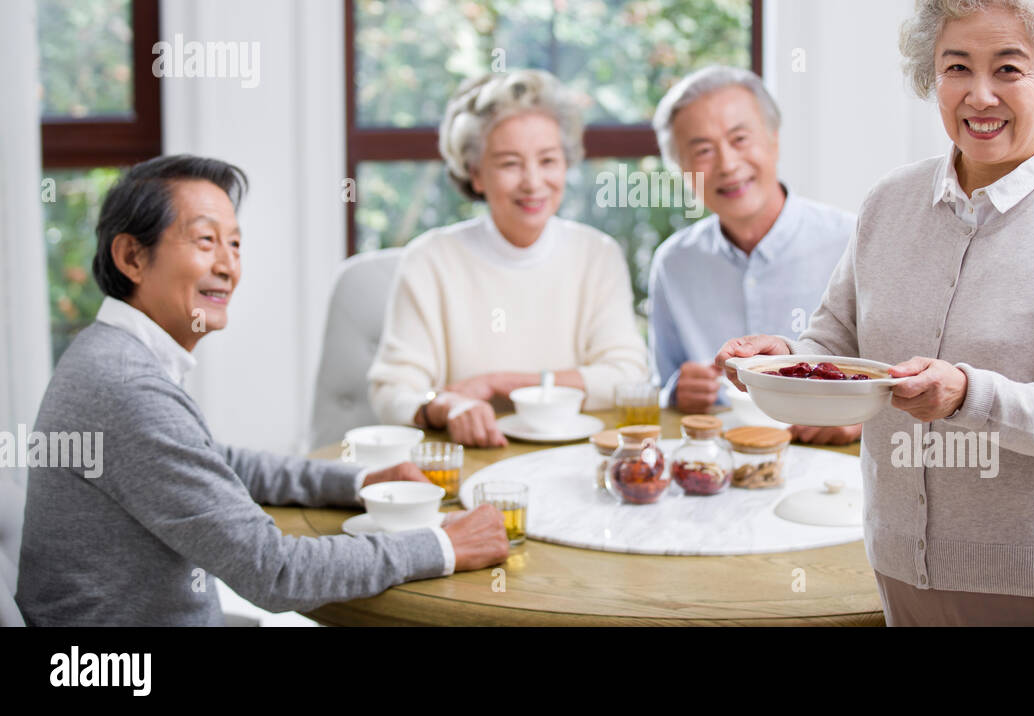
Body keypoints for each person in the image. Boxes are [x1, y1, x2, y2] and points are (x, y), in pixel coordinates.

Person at [717, 0, 1034, 626]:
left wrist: (967, 395)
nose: (980, 95)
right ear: (932, 75)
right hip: (899, 565)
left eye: (1009, 69)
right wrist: (786, 363)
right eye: (957, 67)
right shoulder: (890, 203)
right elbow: (835, 344)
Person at [17, 155, 509, 626]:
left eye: (235, 244)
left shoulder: (110, 354)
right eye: (205, 240)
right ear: (132, 257)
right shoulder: (128, 389)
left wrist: (358, 482)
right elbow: (274, 572)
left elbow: (216, 459)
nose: (228, 265)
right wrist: (443, 544)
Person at [367, 69, 650, 447]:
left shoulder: (597, 255)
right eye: (510, 164)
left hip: (574, 459)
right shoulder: (430, 260)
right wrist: (445, 405)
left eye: (548, 160)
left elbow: (627, 377)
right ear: (476, 174)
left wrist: (503, 384)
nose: (533, 181)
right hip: (467, 460)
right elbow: (392, 392)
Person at [648, 66, 857, 444]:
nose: (727, 165)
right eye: (702, 150)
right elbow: (661, 385)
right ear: (681, 170)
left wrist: (856, 421)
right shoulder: (673, 264)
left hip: (831, 468)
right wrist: (677, 391)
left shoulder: (852, 240)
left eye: (740, 139)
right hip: (717, 466)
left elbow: (906, 376)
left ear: (773, 140)